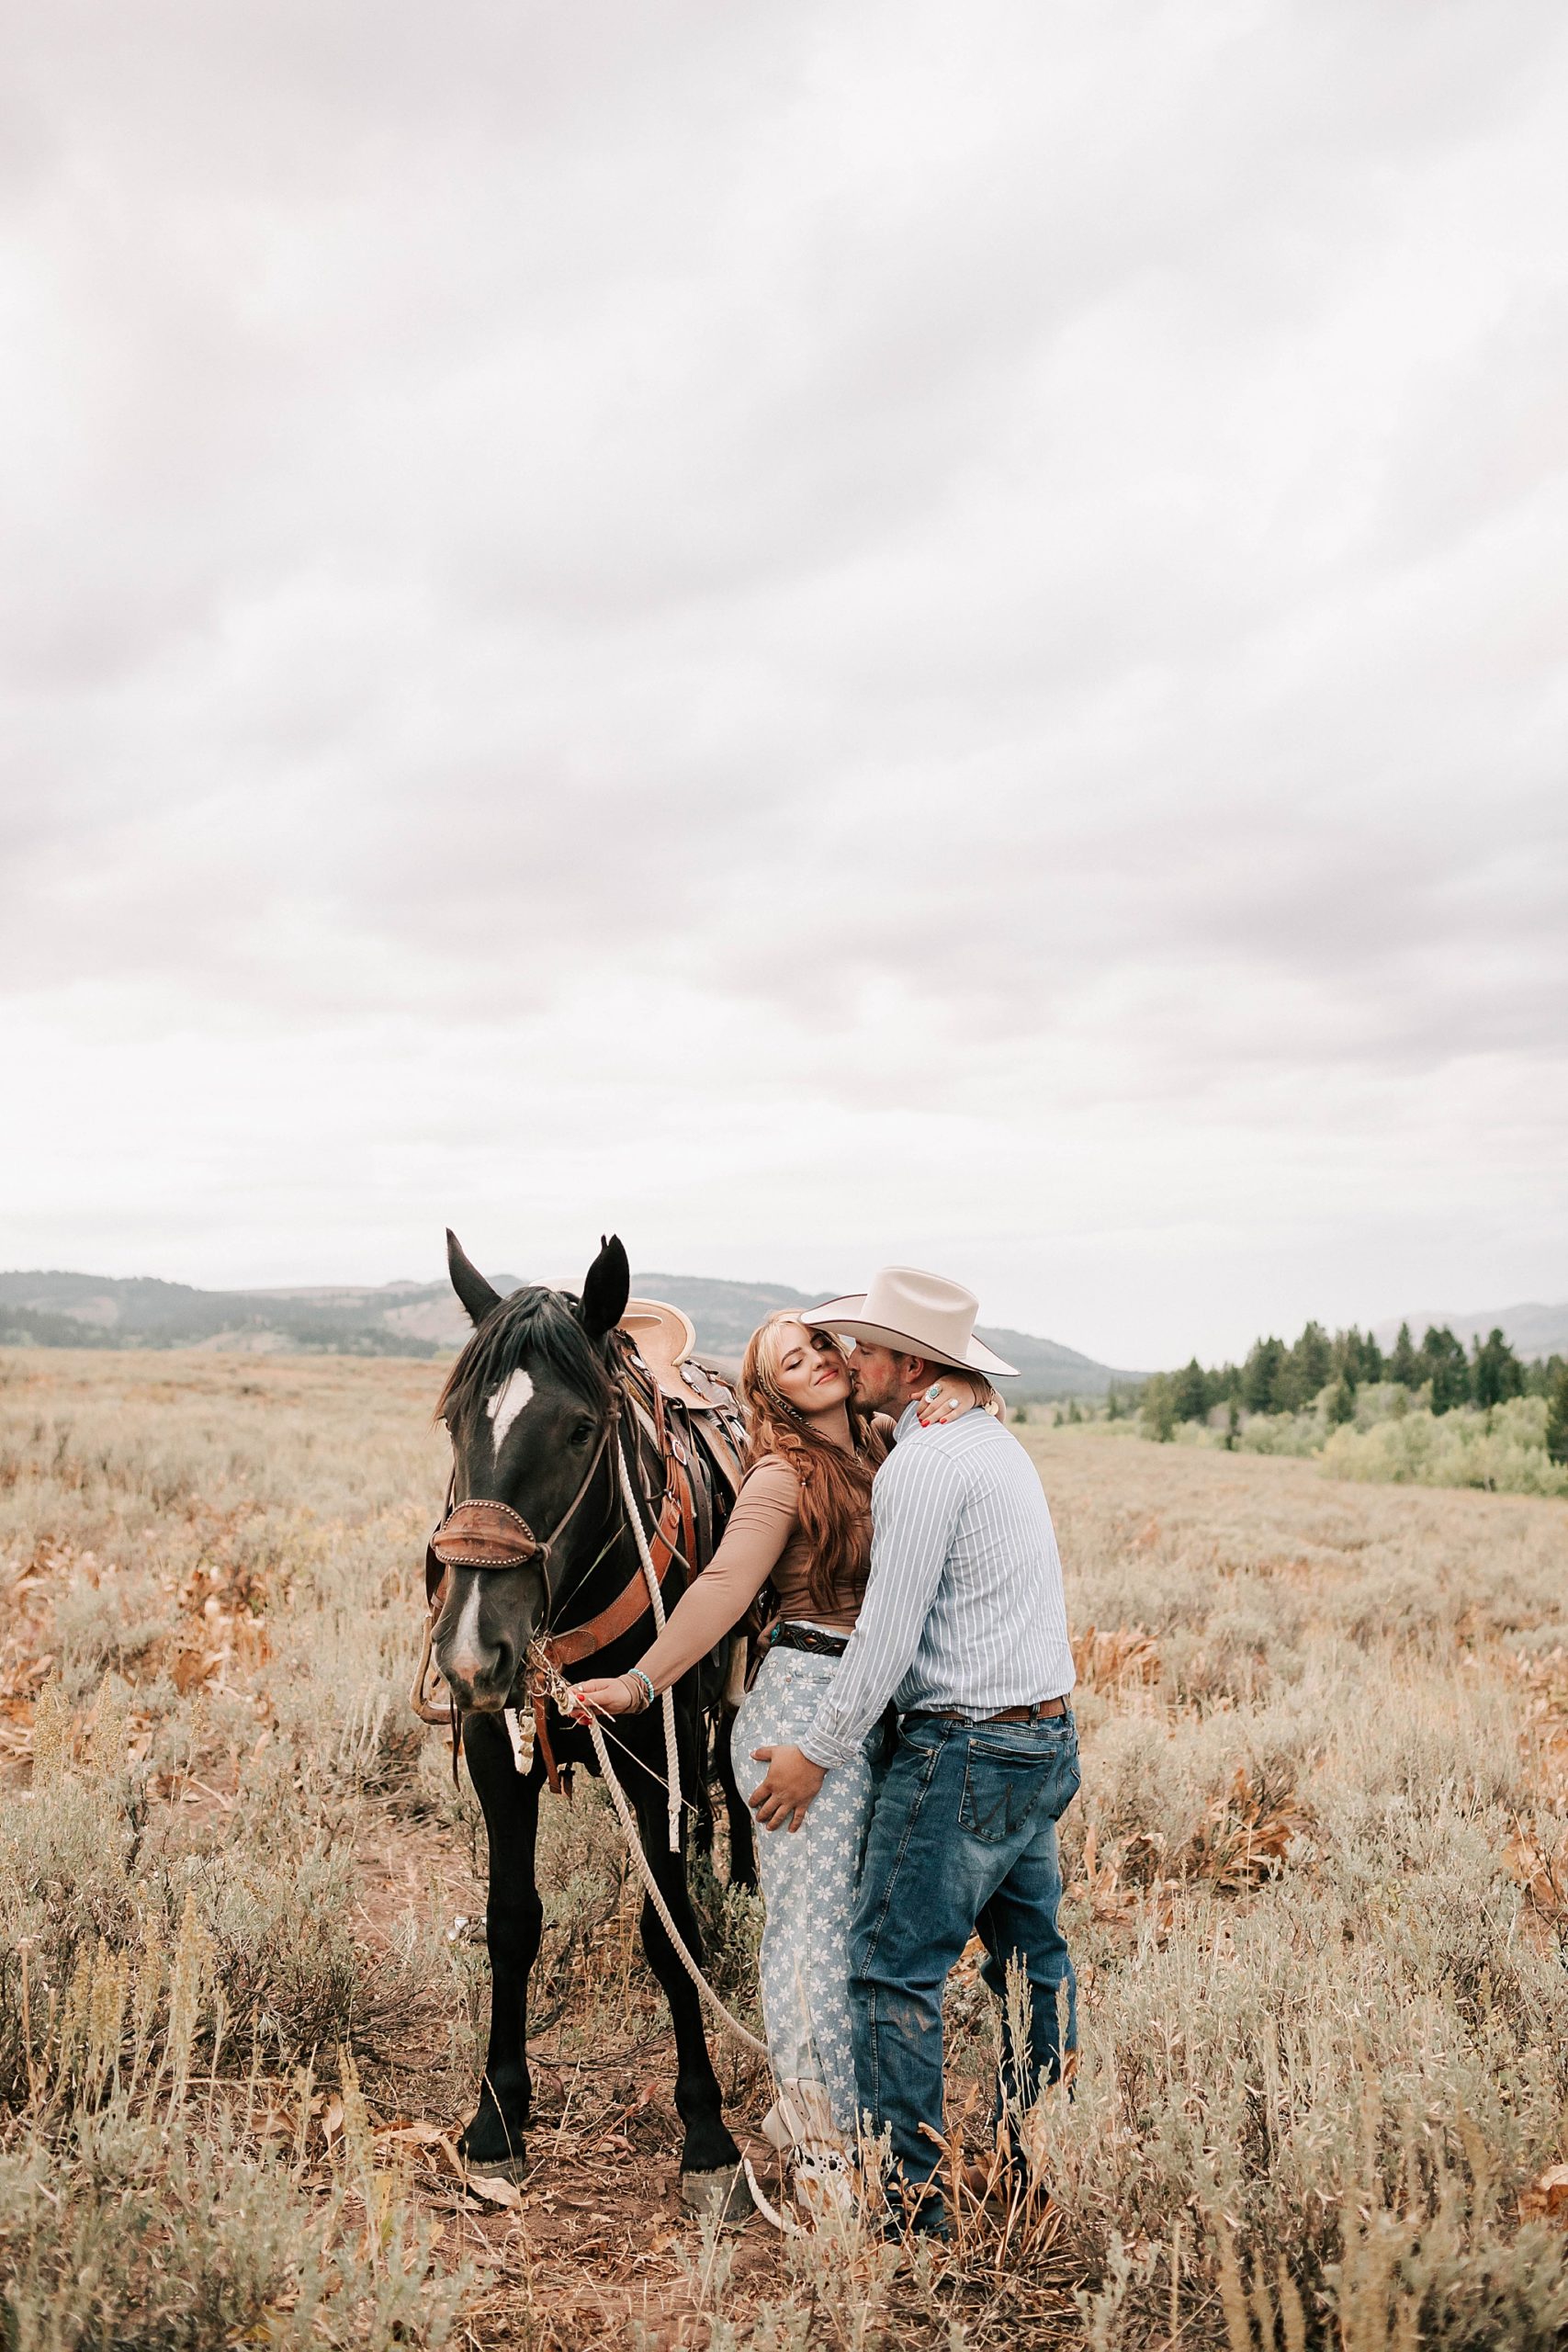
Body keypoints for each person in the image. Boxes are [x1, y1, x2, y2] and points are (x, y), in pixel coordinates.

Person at [570, 1306, 991, 2216]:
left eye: (819, 1346)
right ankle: (818, 2152)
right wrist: (641, 1683)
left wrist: (964, 1387)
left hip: (878, 1707)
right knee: (807, 1928)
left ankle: (843, 2118)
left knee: (860, 1929)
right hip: (803, 1703)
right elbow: (723, 1587)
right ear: (773, 1394)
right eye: (789, 1362)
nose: (815, 1363)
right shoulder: (782, 1473)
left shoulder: (887, 1440)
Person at [747, 1267, 1078, 2237]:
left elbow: (886, 1637)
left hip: (966, 1746)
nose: (847, 1358)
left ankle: (912, 2214)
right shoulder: (987, 1439)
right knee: (1032, 1961)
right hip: (1043, 1735)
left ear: (910, 1362)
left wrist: (814, 1749)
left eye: (863, 1345)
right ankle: (1041, 2156)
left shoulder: (921, 1465)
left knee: (891, 1968)